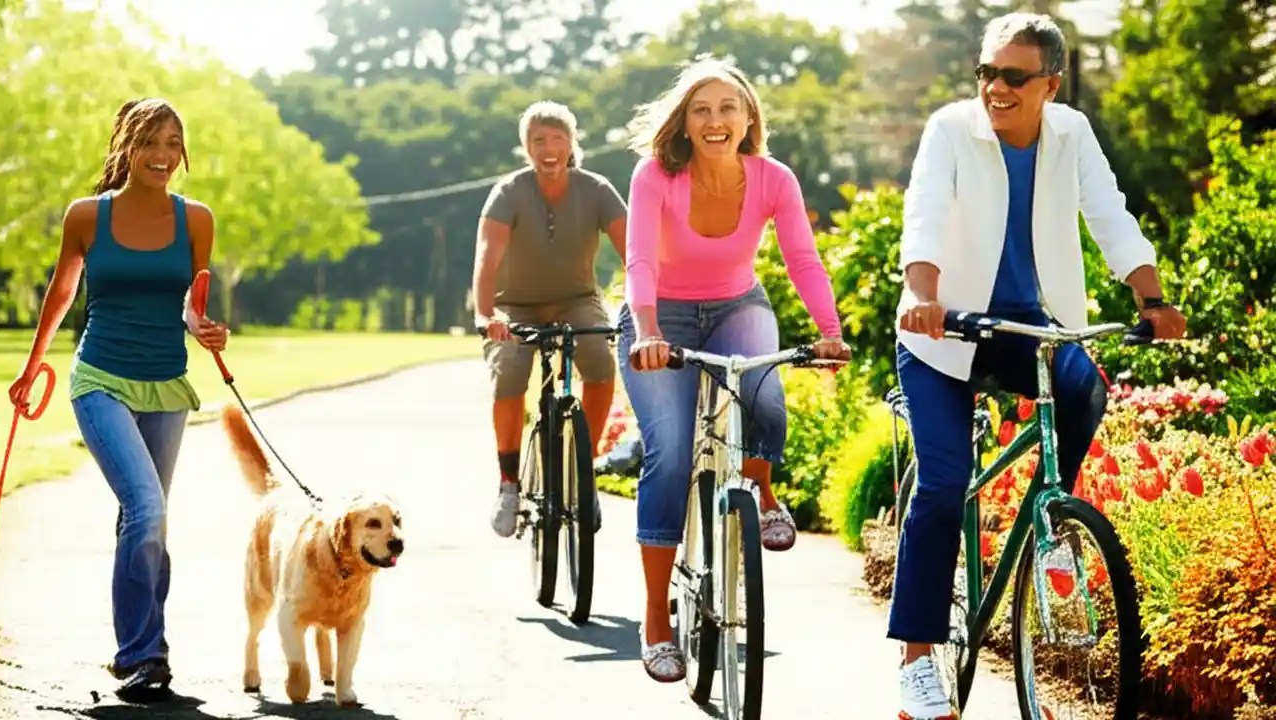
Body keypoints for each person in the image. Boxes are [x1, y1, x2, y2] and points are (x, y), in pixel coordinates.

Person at [889, 13, 1186, 719]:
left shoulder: (1071, 134)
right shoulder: (950, 130)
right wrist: (924, 296)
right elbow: (924, 214)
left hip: (1031, 329)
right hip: (945, 334)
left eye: (1013, 77)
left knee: (1086, 389)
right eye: (986, 72)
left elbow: (1109, 214)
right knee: (944, 484)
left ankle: (1052, 526)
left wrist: (1152, 297)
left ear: (1049, 84)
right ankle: (917, 659)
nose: (995, 87)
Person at [619, 57, 851, 682]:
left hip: (736, 306)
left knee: (765, 399)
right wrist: (646, 332)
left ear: (749, 118)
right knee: (669, 451)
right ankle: (656, 619)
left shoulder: (774, 178)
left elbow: (802, 258)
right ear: (685, 123)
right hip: (657, 319)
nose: (715, 120)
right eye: (702, 110)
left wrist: (829, 332)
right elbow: (639, 258)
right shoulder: (655, 176)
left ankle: (763, 491)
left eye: (728, 108)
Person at [6, 97, 228, 702]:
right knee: (147, 508)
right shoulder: (86, 216)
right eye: (150, 142)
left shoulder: (197, 219)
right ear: (126, 147)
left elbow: (193, 302)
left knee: (146, 517)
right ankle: (142, 655)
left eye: (173, 143)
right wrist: (31, 369)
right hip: (99, 376)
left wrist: (205, 326)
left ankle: (143, 647)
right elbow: (61, 293)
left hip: (166, 381)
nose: (162, 155)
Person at [472, 100, 628, 538]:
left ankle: (585, 472)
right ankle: (508, 483)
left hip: (575, 300)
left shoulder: (596, 189)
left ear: (572, 144)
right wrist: (487, 315)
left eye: (557, 138)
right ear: (526, 147)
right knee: (510, 372)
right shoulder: (509, 191)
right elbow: (487, 257)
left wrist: (645, 303)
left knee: (599, 360)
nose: (548, 147)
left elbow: (634, 250)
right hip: (513, 307)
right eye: (538, 140)